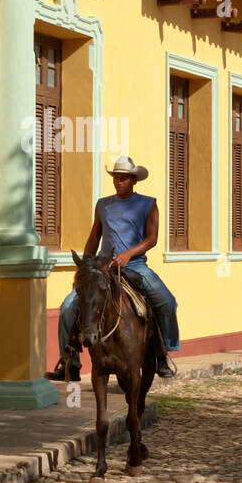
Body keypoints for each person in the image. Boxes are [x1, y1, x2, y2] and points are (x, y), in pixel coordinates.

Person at [46, 156, 181, 382]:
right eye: (116, 178)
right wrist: (86, 267)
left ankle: (162, 355)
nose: (119, 182)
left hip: (135, 265)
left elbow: (152, 238)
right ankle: (69, 361)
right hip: (102, 267)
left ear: (133, 180)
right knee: (69, 307)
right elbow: (93, 239)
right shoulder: (103, 205)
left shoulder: (148, 204)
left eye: (124, 178)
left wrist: (129, 253)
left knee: (166, 300)